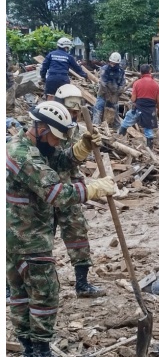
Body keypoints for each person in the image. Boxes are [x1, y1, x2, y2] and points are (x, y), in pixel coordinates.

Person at [7, 101, 114, 357]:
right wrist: (91, 189)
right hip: (28, 238)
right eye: (55, 136)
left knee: (20, 296)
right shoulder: (23, 155)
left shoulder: (33, 147)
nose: (57, 143)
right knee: (44, 294)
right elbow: (55, 192)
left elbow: (59, 160)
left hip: (16, 237)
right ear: (41, 128)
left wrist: (82, 148)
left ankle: (30, 354)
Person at [52, 85, 106, 297]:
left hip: (70, 188)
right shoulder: (44, 128)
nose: (73, 116)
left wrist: (88, 144)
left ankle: (82, 284)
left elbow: (75, 158)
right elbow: (57, 159)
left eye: (76, 112)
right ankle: (15, 286)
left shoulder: (76, 131)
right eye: (70, 111)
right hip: (44, 191)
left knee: (78, 233)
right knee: (35, 240)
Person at [118, 64, 159, 149]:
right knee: (148, 130)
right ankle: (150, 149)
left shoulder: (137, 83)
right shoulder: (156, 85)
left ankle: (119, 140)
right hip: (150, 111)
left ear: (140, 72)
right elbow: (158, 102)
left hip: (138, 109)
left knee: (125, 123)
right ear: (150, 71)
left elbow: (133, 99)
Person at [92, 52, 126, 128]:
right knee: (98, 108)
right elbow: (103, 83)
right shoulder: (104, 69)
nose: (112, 65)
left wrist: (117, 94)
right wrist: (108, 95)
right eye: (111, 63)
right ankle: (95, 126)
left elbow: (122, 84)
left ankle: (117, 128)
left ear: (118, 63)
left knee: (115, 111)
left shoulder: (121, 71)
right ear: (109, 61)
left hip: (114, 94)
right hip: (103, 93)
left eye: (114, 64)